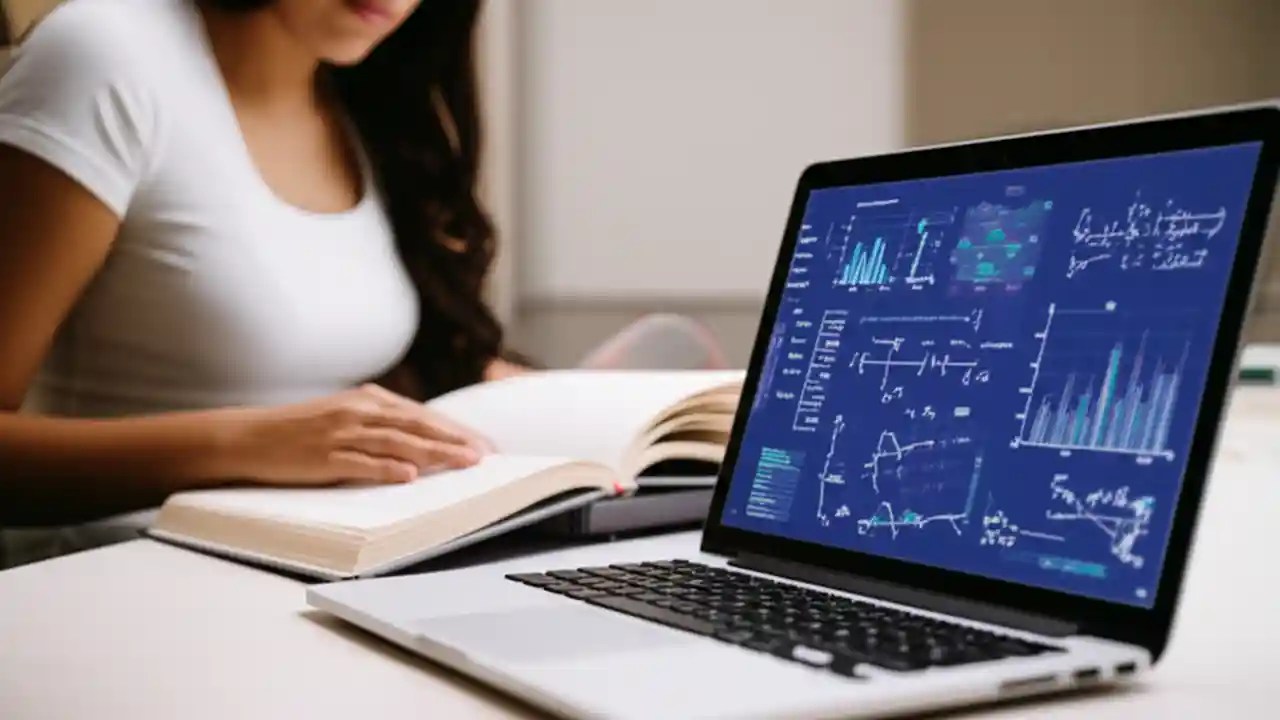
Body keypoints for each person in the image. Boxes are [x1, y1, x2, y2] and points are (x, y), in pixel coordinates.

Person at [0, 0, 726, 563]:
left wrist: (608, 414)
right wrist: (248, 445)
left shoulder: (361, 98)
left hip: (321, 562)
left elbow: (356, 364)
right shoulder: (104, 57)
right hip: (114, 575)